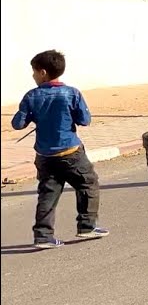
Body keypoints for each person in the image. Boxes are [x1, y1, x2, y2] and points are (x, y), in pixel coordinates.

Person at [11, 50, 108, 249]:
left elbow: (18, 124)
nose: (33, 75)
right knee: (88, 184)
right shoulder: (72, 93)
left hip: (45, 156)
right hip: (71, 152)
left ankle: (43, 236)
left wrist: (33, 115)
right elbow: (85, 120)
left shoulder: (31, 96)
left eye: (34, 71)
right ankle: (86, 226)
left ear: (43, 72)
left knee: (48, 193)